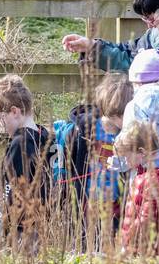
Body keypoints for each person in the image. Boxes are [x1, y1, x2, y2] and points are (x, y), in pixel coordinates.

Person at [51, 72, 131, 246]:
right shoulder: (82, 131)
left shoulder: (126, 135)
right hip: (86, 204)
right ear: (115, 112)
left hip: (116, 207)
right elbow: (67, 164)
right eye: (124, 115)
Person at [0, 75, 53, 243]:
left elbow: (11, 192)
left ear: (14, 111)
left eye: (0, 118)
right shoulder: (44, 136)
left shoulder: (20, 144)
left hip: (22, 232)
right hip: (43, 228)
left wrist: (2, 226)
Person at [114, 121, 159, 255]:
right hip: (140, 248)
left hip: (152, 251)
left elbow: (146, 219)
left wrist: (128, 245)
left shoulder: (155, 179)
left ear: (142, 152)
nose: (126, 161)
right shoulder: (143, 174)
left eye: (127, 156)